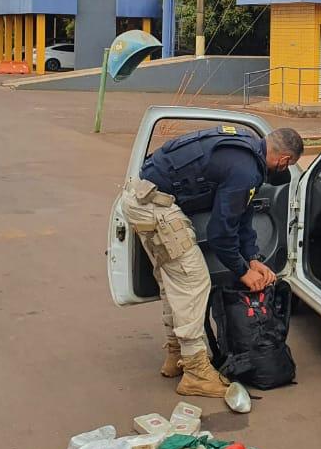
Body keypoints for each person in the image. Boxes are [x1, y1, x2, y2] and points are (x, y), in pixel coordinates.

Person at [120, 125, 304, 397]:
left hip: (144, 198)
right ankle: (195, 372)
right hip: (155, 207)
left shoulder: (246, 149)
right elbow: (220, 232)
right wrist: (242, 271)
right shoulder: (246, 169)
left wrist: (253, 259)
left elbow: (241, 214)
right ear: (284, 160)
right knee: (194, 282)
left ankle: (175, 356)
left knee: (175, 283)